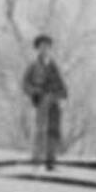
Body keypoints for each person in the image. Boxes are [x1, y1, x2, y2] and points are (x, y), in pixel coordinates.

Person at [22, 34, 67, 167]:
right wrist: (35, 92)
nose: (45, 49)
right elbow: (25, 84)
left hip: (54, 101)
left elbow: (61, 85)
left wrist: (61, 95)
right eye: (42, 47)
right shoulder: (33, 66)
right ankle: (36, 158)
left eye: (47, 47)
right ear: (38, 49)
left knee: (53, 130)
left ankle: (50, 159)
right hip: (41, 100)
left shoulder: (53, 66)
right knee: (40, 129)